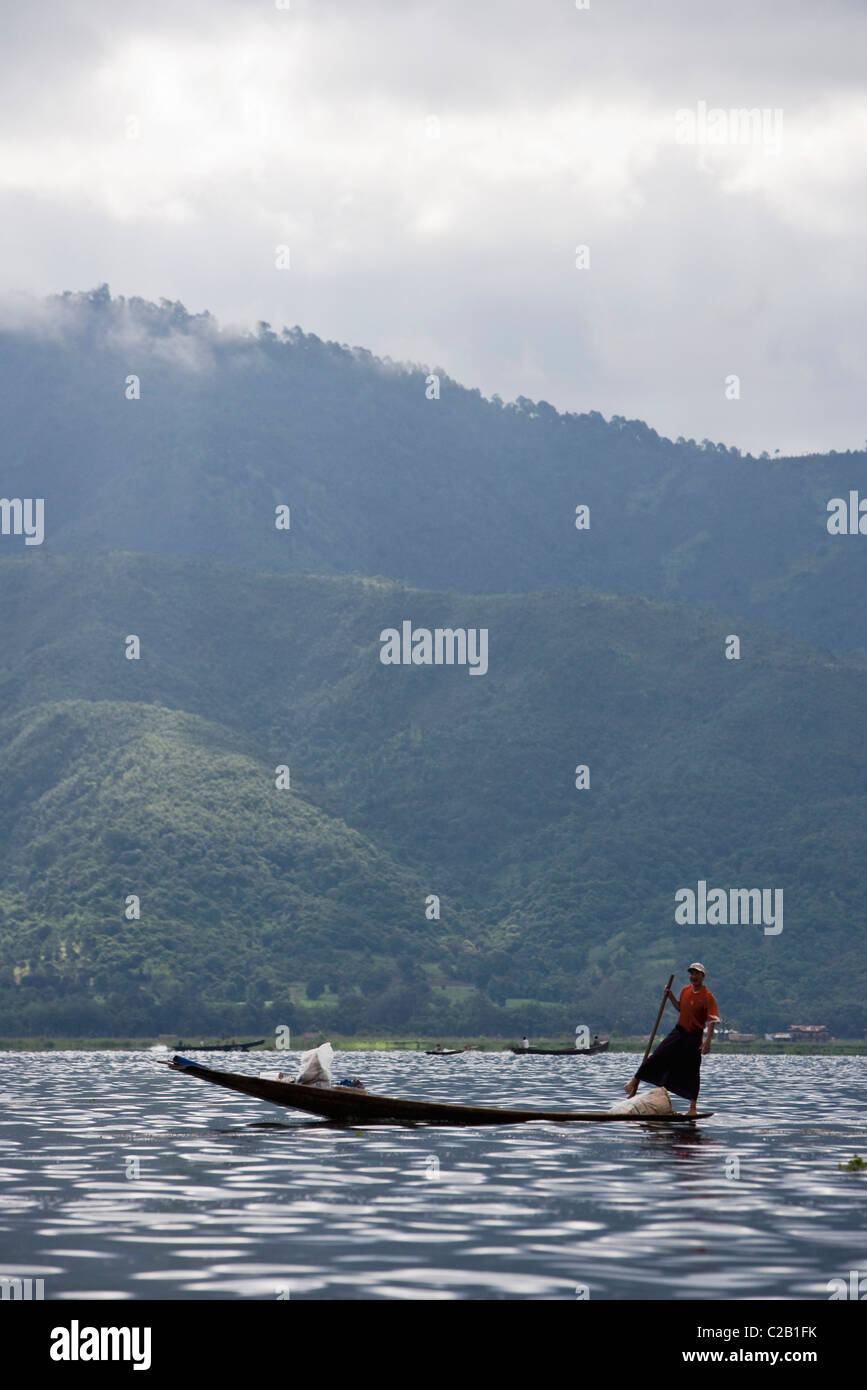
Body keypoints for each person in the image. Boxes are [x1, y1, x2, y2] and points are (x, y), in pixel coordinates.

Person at [623, 963, 719, 1116]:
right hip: (678, 1032)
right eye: (692, 974)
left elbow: (712, 1020)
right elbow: (681, 1008)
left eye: (697, 974)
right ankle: (635, 1081)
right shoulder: (685, 990)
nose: (693, 977)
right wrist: (670, 996)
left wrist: (707, 1042)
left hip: (694, 1036)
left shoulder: (708, 996)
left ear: (702, 976)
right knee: (658, 1055)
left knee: (692, 1070)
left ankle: (693, 1107)